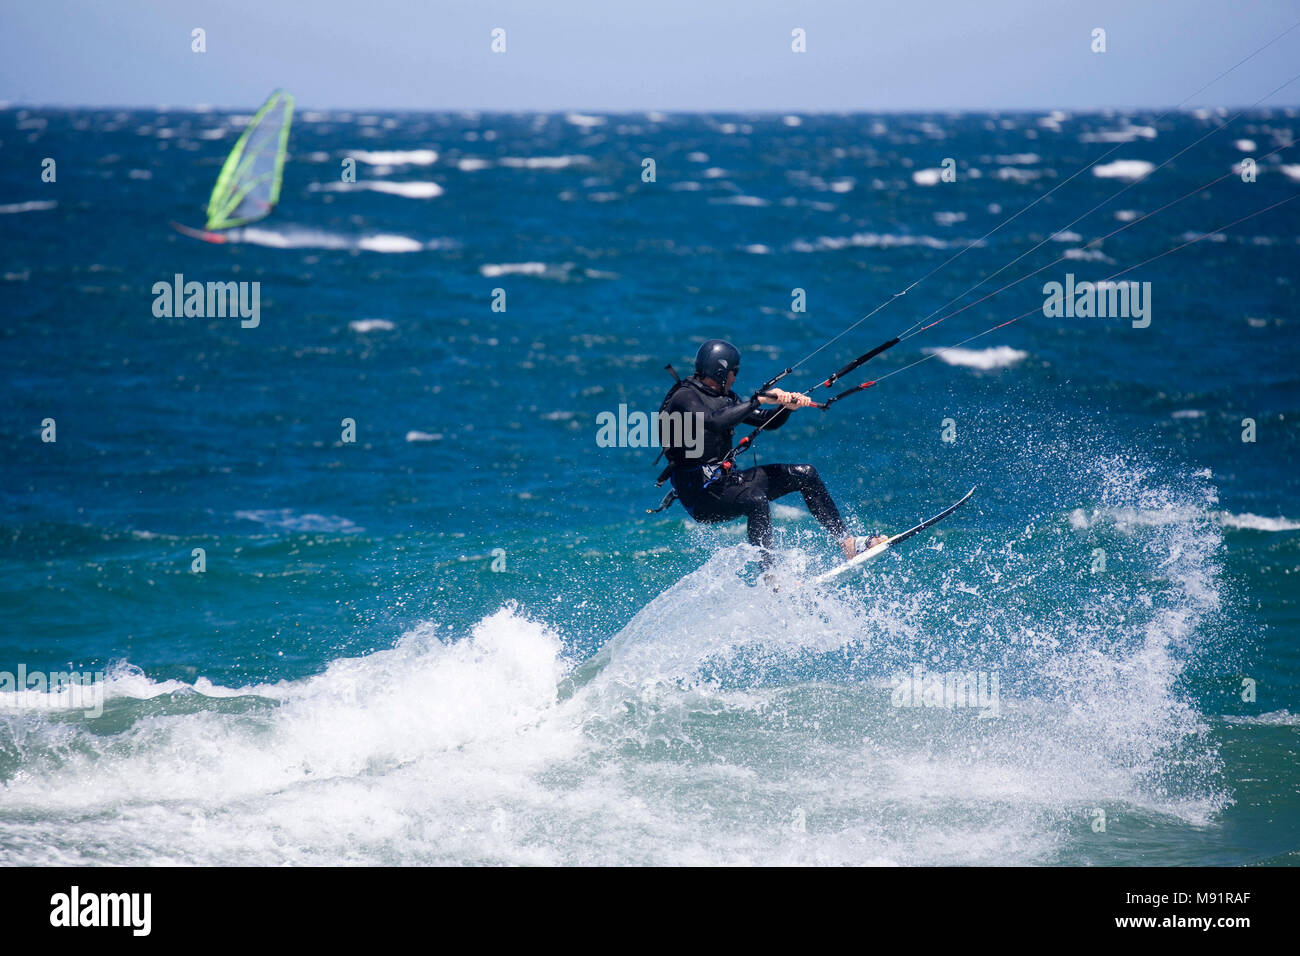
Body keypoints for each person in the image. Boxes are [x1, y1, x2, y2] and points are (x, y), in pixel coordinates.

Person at [658, 339, 886, 569]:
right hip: (700, 497)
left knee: (805, 474)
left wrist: (785, 408)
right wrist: (758, 398)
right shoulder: (684, 397)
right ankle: (770, 576)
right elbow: (715, 421)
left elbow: (765, 421)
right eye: (733, 372)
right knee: (756, 500)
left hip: (725, 483)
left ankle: (847, 544)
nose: (735, 378)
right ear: (721, 371)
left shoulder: (726, 398)